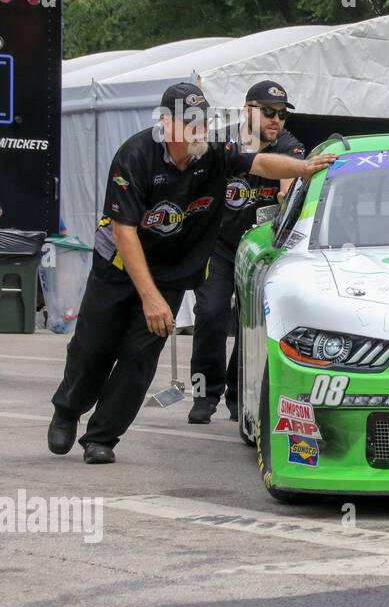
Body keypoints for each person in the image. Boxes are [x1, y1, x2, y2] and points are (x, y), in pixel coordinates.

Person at [47, 83, 334, 464]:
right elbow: (125, 231)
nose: (200, 129)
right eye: (190, 122)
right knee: (93, 349)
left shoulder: (213, 153)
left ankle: (103, 436)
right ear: (167, 124)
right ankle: (68, 410)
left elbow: (261, 164)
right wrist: (147, 296)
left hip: (171, 272)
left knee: (140, 357)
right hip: (118, 268)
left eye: (204, 121)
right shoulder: (135, 155)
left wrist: (303, 168)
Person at [188, 80, 305, 424]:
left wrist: (286, 193)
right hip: (219, 246)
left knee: (251, 324)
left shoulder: (289, 146)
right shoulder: (220, 143)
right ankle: (203, 394)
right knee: (211, 314)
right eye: (269, 112)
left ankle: (240, 396)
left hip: (261, 251)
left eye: (282, 114)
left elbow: (289, 180)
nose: (276, 120)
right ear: (248, 110)